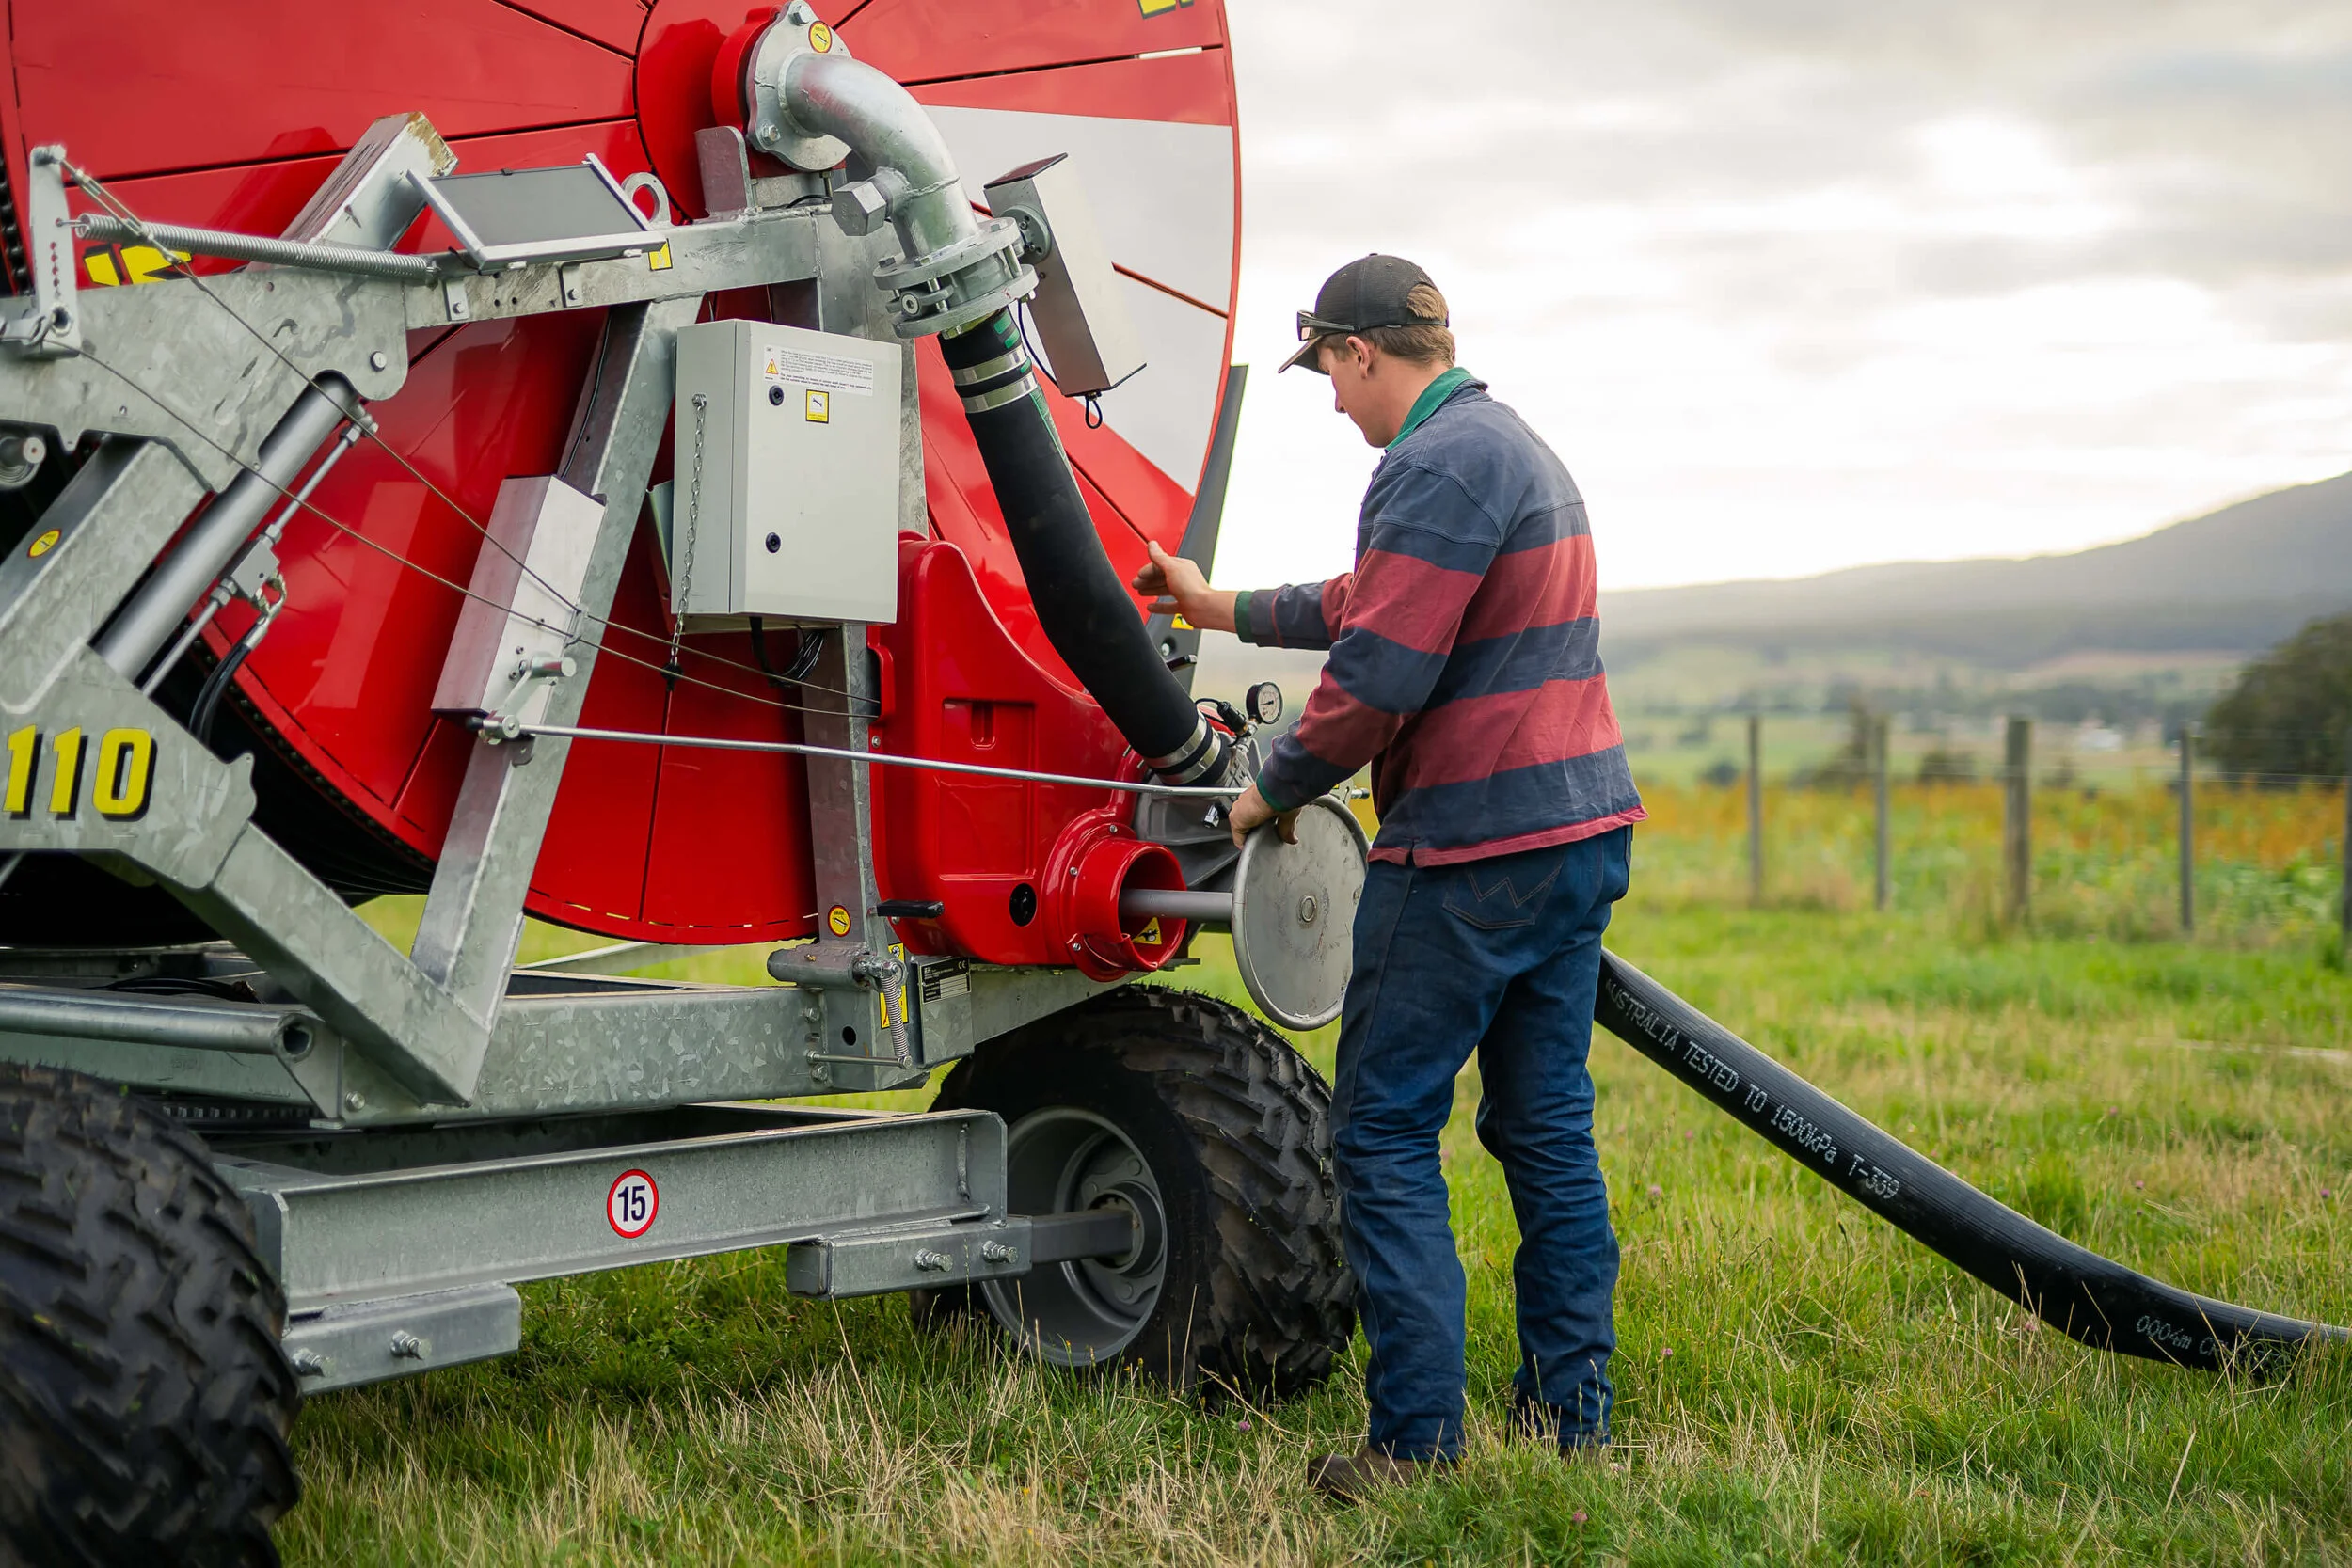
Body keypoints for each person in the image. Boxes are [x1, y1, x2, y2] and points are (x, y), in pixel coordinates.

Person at [1133, 255, 1645, 1498]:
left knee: (1378, 1133)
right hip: (1576, 837)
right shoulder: (1507, 448)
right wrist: (1223, 603)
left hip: (1468, 852)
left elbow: (1377, 684)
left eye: (1329, 375)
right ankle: (1571, 1413)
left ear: (1364, 351)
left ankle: (1413, 1445)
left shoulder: (1425, 466)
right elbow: (1378, 601)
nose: (1330, 403)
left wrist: (1267, 794)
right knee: (1545, 1129)